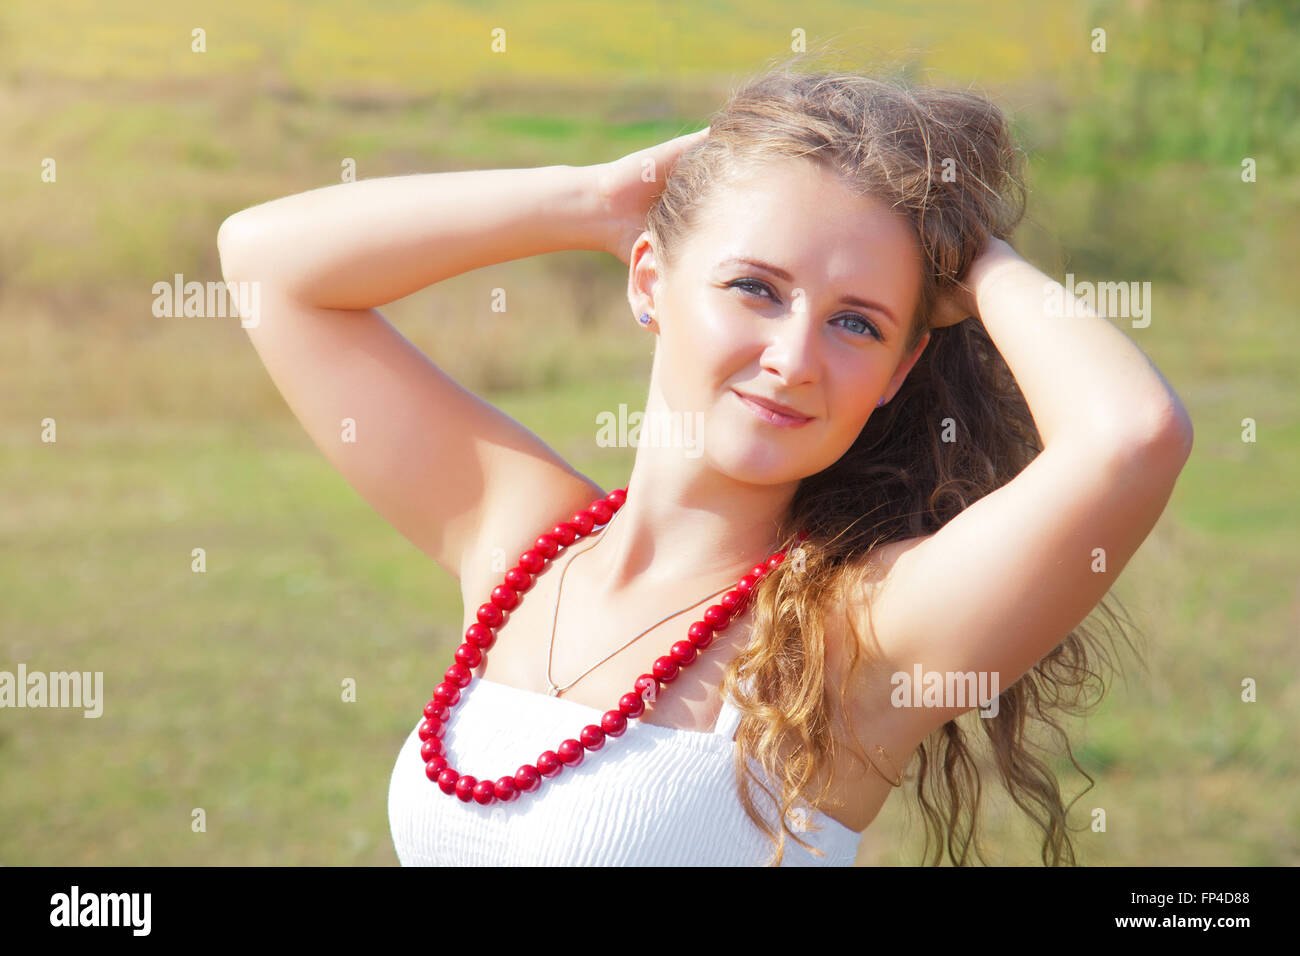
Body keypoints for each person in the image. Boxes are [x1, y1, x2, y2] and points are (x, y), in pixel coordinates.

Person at [216, 62, 1193, 866]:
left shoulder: (860, 636)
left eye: (857, 321)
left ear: (899, 370)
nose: (793, 356)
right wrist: (592, 197)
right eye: (754, 287)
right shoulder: (519, 542)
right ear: (650, 280)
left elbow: (1131, 435)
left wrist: (970, 253)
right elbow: (269, 263)